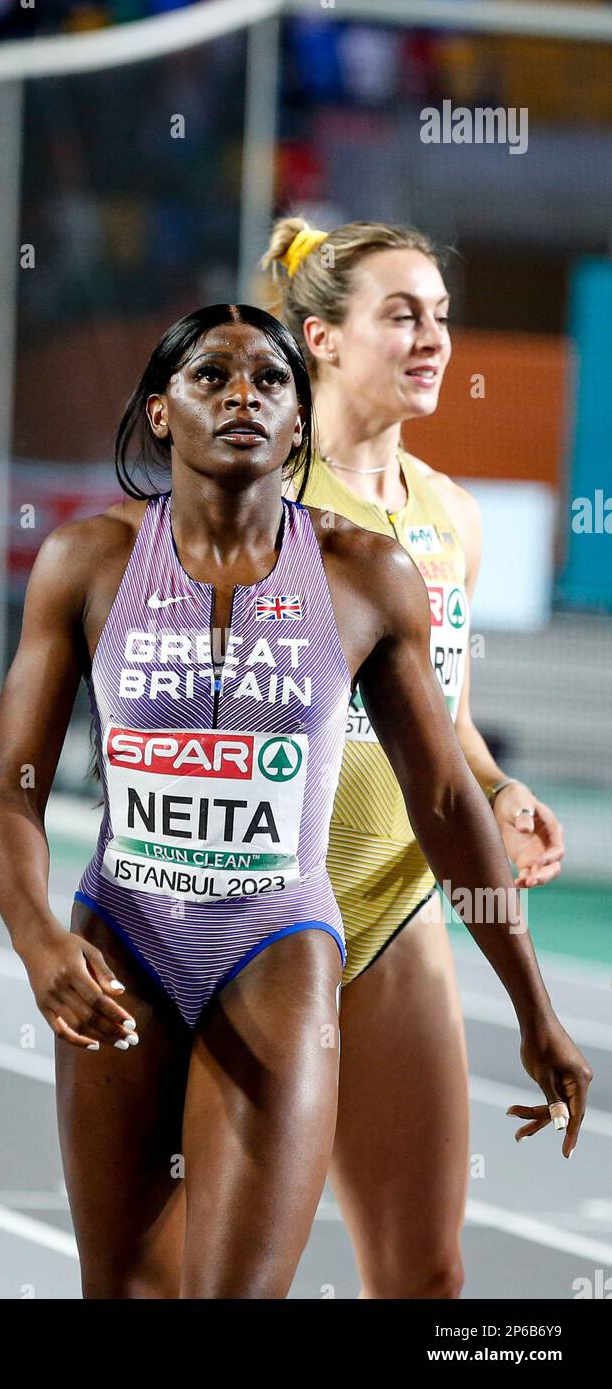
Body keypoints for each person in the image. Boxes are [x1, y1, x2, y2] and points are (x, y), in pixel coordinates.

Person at [0, 302, 591, 1300]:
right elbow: (12, 793)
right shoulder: (86, 560)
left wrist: (531, 1005)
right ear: (159, 414)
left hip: (277, 948)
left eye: (268, 381)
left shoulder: (365, 575)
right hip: (122, 940)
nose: (241, 397)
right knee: (123, 1288)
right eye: (210, 377)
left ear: (298, 424)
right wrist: (37, 940)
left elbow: (441, 796)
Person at [262, 217, 569, 1298]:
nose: (432, 336)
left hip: (394, 908)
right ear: (322, 340)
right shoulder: (262, 499)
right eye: (399, 314)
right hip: (252, 915)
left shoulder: (449, 515)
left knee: (424, 1274)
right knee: (225, 1271)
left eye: (439, 314)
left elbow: (439, 713)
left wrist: (496, 787)